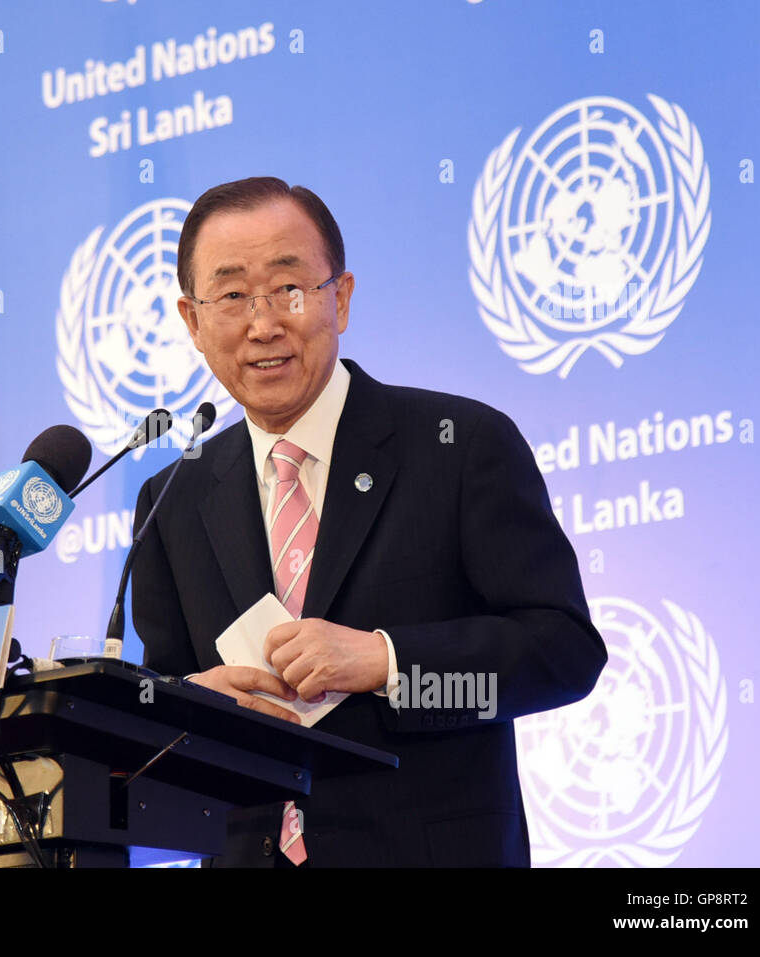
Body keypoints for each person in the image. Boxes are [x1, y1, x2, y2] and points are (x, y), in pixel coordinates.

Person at [130, 177, 607, 866]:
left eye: (288, 288)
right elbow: (163, 703)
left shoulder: (459, 444)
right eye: (231, 296)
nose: (263, 322)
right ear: (193, 321)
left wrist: (385, 661)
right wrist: (189, 705)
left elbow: (563, 652)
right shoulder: (173, 497)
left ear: (340, 298)